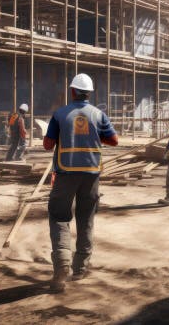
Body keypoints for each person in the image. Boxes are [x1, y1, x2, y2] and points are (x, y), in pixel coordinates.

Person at [43, 73, 118, 292]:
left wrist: (62, 136)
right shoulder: (98, 114)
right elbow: (114, 140)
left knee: (59, 217)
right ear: (89, 93)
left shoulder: (60, 114)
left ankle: (61, 264)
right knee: (86, 218)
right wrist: (94, 135)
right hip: (92, 175)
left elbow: (48, 145)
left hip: (66, 173)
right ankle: (80, 268)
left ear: (72, 91)